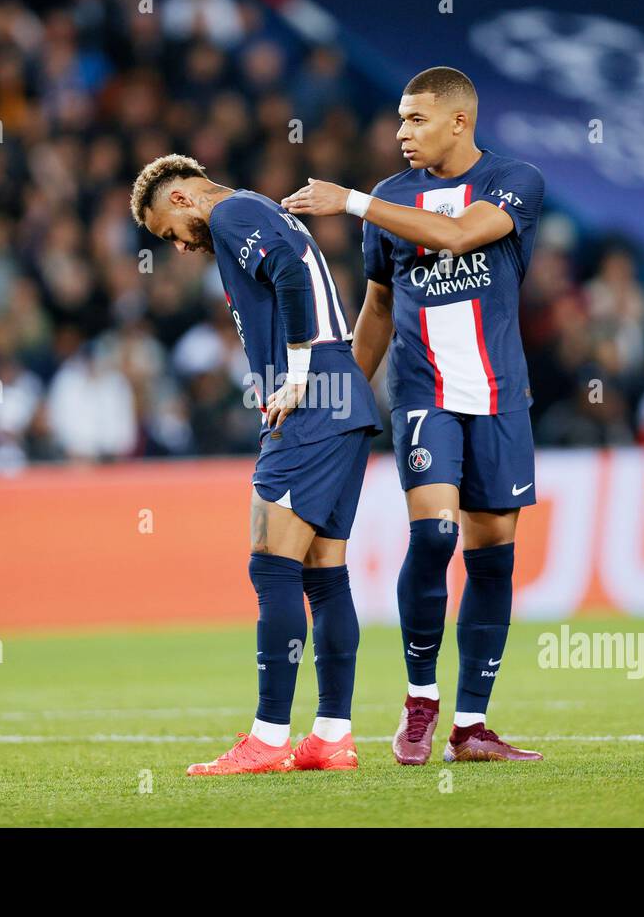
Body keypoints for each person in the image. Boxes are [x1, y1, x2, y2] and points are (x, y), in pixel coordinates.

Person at [282, 66, 544, 763]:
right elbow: (379, 307)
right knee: (434, 537)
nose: (401, 133)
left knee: (493, 561)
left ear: (461, 121)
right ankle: (420, 700)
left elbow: (460, 236)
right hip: (423, 392)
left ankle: (471, 725)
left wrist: (354, 203)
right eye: (399, 120)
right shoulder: (392, 201)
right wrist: (342, 398)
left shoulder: (513, 182)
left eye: (417, 120)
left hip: (498, 398)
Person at [131, 154, 381, 774]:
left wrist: (296, 376)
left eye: (170, 231)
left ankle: (269, 739)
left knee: (272, 567)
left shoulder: (234, 212)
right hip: (343, 397)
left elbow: (292, 276)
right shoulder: (257, 211)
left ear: (185, 198)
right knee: (325, 572)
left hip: (313, 397)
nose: (180, 246)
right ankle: (330, 736)